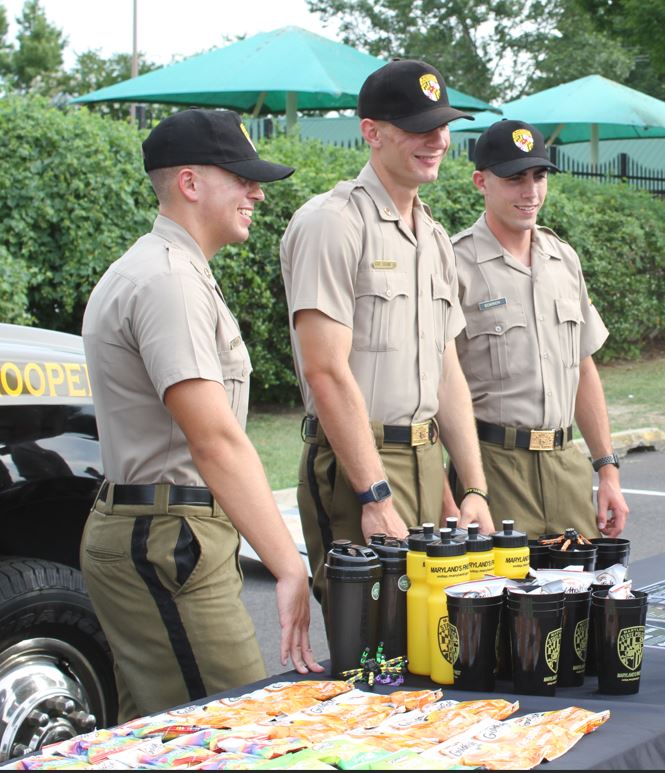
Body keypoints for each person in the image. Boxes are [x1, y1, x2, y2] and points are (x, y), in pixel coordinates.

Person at [80, 109, 323, 723]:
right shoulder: (168, 280)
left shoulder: (168, 269)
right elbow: (214, 441)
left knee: (160, 737)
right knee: (240, 730)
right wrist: (287, 566)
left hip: (164, 531)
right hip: (168, 538)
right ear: (190, 184)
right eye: (242, 177)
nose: (257, 192)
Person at [279, 59, 492, 606]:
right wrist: (373, 494)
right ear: (371, 132)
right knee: (370, 650)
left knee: (428, 641)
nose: (438, 139)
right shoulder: (333, 222)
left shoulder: (435, 237)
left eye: (443, 126)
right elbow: (324, 370)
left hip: (424, 465)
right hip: (359, 467)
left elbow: (446, 371)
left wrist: (468, 488)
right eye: (419, 127)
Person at [446, 119, 628, 539]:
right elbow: (436, 382)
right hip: (493, 470)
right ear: (481, 182)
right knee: (499, 600)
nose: (530, 192)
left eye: (539, 175)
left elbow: (583, 368)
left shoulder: (563, 259)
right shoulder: (453, 264)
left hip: (566, 466)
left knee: (579, 594)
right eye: (514, 178)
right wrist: (450, 496)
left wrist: (608, 470)